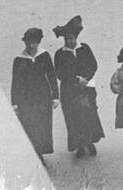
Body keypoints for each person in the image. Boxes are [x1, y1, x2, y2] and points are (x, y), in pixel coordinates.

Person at [52, 15, 104, 159]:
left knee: (89, 116)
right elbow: (59, 73)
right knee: (74, 118)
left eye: (71, 38)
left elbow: (93, 64)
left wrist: (86, 79)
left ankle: (89, 142)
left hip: (87, 89)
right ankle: (80, 145)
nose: (69, 41)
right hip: (69, 91)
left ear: (76, 37)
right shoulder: (60, 54)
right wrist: (76, 80)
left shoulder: (85, 48)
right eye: (66, 39)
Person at [11, 28, 57, 158]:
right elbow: (16, 82)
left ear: (38, 42)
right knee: (30, 124)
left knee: (43, 125)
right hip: (26, 99)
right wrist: (15, 103)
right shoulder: (19, 59)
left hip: (43, 97)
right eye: (28, 43)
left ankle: (40, 151)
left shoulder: (44, 55)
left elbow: (52, 76)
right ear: (25, 43)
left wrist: (55, 96)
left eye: (34, 43)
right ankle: (36, 154)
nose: (31, 46)